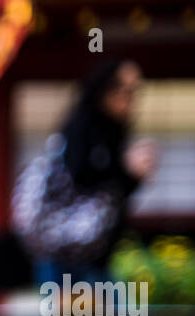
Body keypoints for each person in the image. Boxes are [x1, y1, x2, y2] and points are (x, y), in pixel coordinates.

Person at [33, 60, 158, 288]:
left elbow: (115, 193)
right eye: (125, 90)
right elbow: (82, 177)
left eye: (136, 91)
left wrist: (134, 176)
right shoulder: (82, 127)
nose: (131, 98)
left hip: (98, 255)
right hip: (66, 254)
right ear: (106, 89)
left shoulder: (115, 132)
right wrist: (124, 167)